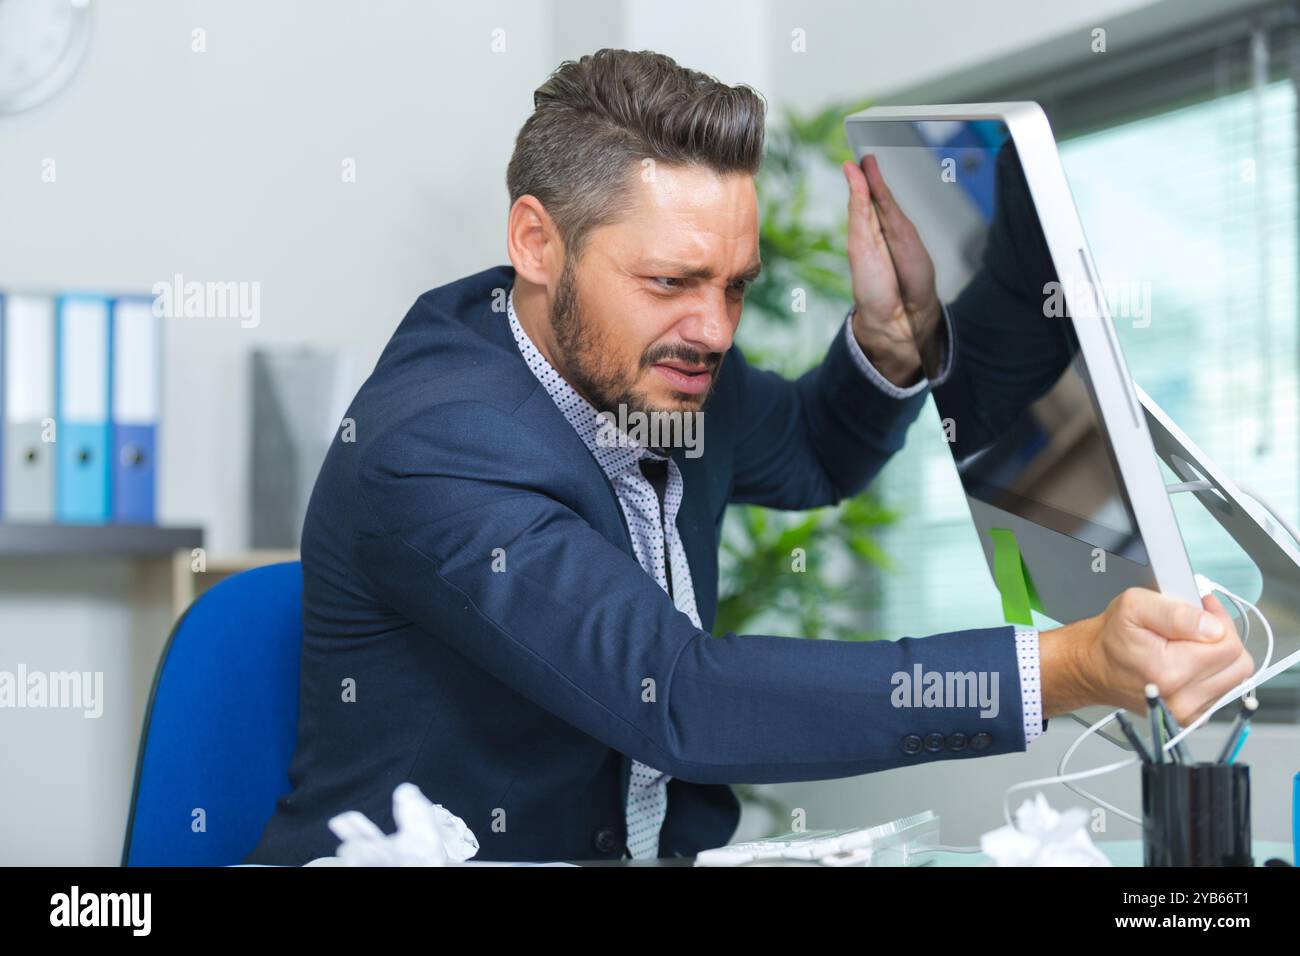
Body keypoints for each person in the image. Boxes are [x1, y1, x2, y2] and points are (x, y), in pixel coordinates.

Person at [247, 49, 1251, 864]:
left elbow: (812, 451)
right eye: (672, 279)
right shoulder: (436, 446)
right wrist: (1071, 663)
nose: (714, 329)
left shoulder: (656, 364)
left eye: (734, 283)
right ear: (536, 241)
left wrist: (890, 344)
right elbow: (678, 696)